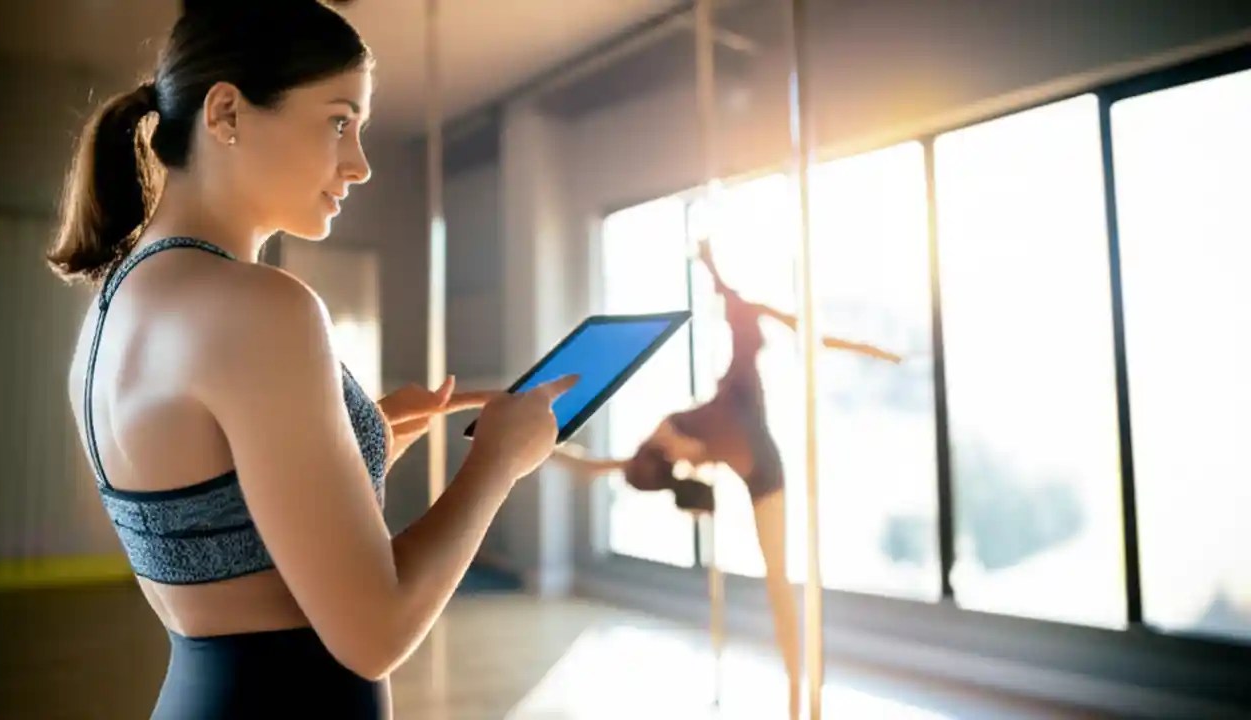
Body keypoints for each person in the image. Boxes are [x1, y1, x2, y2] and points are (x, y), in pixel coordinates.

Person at [47, 1, 572, 717]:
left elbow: (210, 514)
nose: (359, 164)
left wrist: (365, 439)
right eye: (338, 121)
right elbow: (375, 630)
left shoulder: (117, 302)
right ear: (227, 113)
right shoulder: (264, 308)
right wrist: (500, 461)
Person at [552, 237, 901, 720]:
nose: (658, 436)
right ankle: (799, 688)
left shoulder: (710, 405)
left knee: (778, 582)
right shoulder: (684, 436)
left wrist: (712, 264)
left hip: (763, 474)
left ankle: (799, 691)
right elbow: (600, 466)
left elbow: (600, 466)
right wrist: (536, 448)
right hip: (756, 470)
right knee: (776, 581)